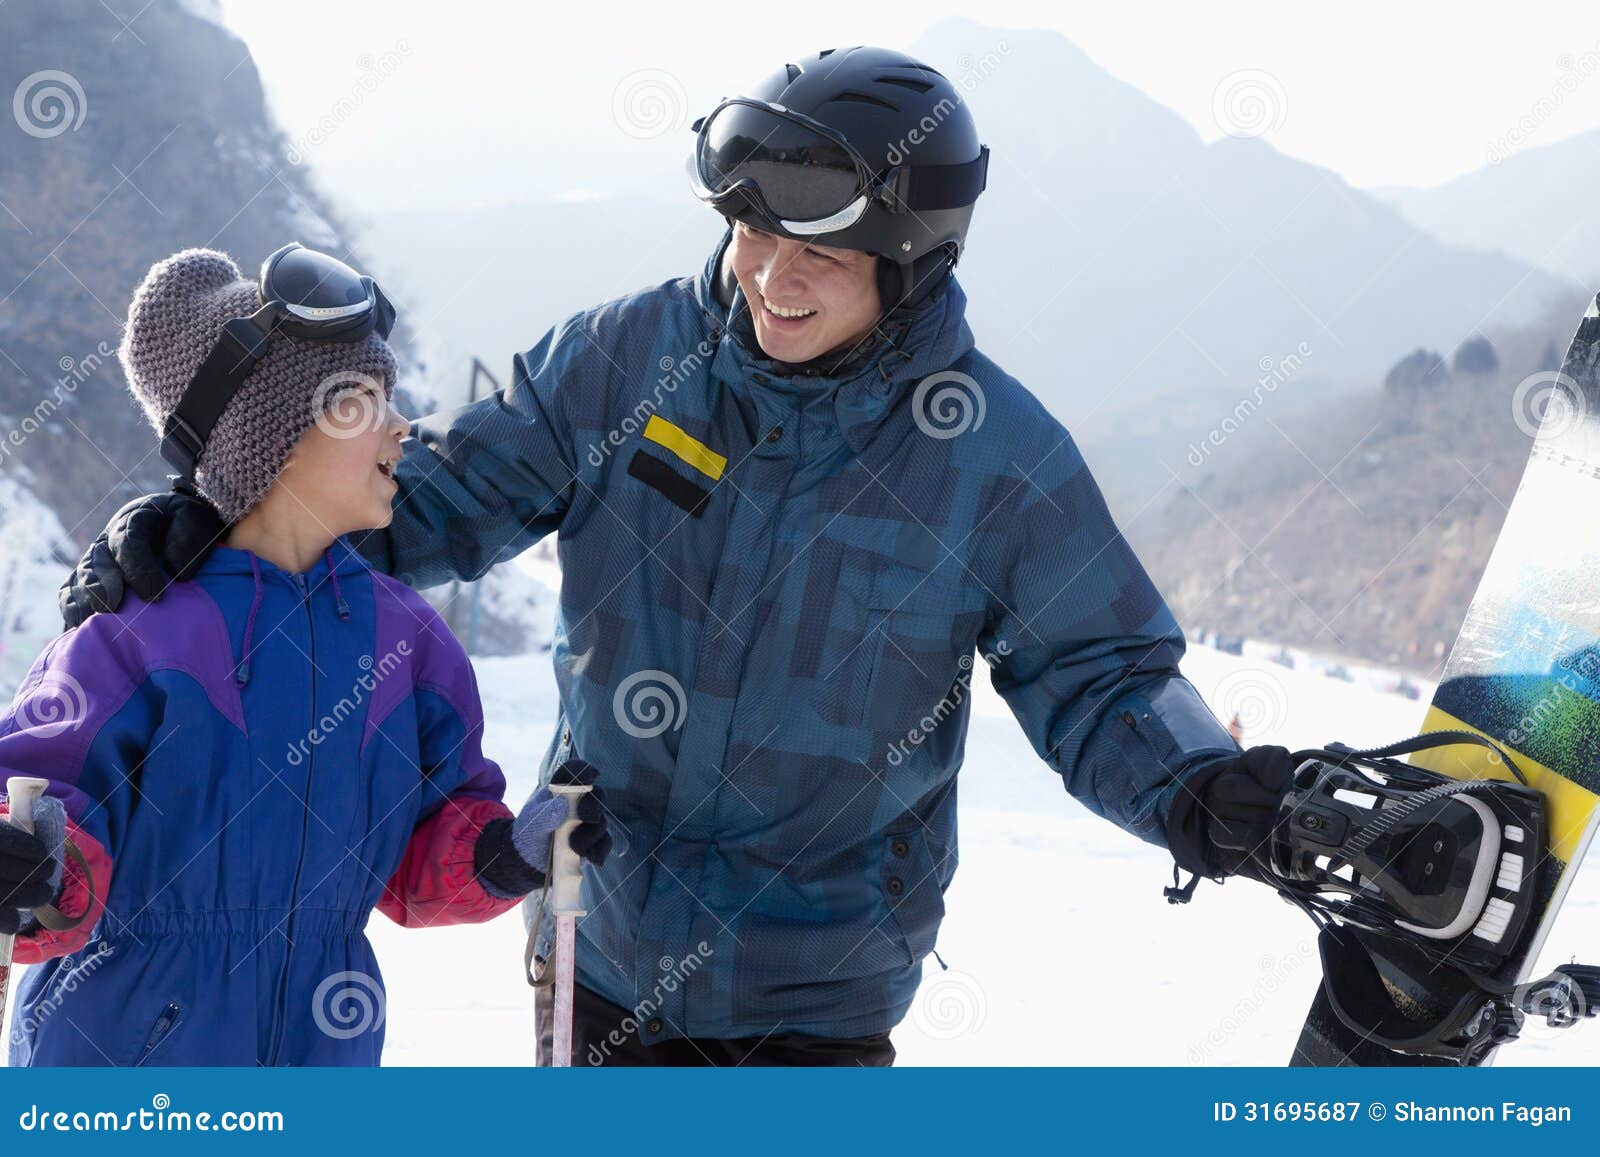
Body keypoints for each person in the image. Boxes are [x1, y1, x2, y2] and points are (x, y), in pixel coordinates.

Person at [57, 47, 1295, 1066]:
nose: (770, 275)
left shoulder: (989, 455)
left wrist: (1198, 788)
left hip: (820, 993)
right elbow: (421, 504)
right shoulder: (624, 362)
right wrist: (211, 527)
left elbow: (1103, 675)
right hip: (598, 937)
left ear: (911, 260)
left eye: (819, 253)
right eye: (752, 230)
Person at [0, 246, 609, 1066]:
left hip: (324, 1041)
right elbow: (41, 800)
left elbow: (422, 852)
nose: (401, 425)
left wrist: (509, 853)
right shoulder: (137, 634)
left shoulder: (407, 643)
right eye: (364, 400)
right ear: (274, 438)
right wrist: (31, 865)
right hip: (121, 1053)